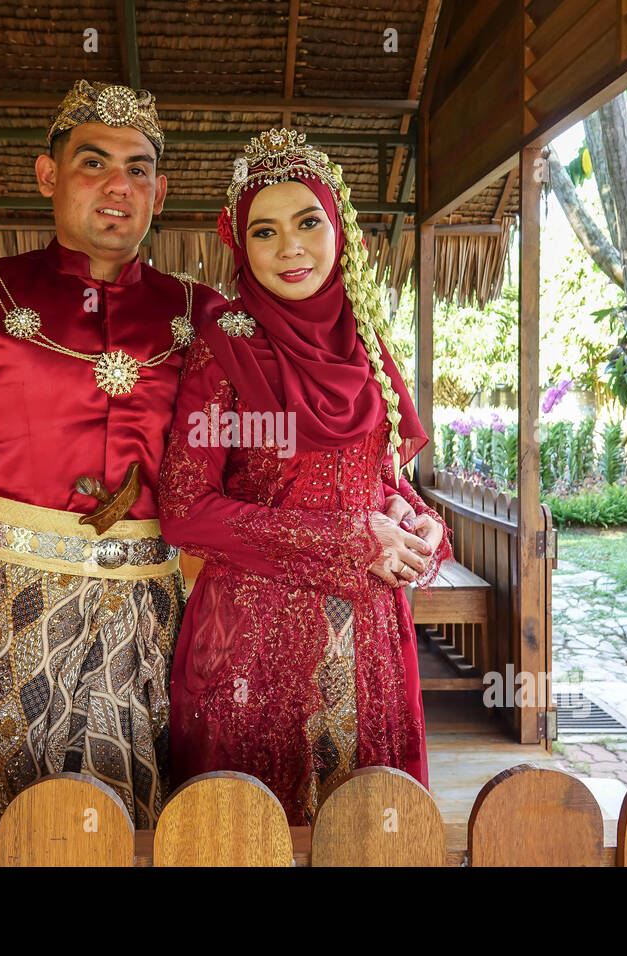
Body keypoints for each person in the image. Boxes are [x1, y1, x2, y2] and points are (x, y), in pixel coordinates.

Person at [0, 86, 422, 832]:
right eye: (93, 163)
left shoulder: (211, 318)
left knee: (160, 828)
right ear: (47, 175)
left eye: (137, 169)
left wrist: (393, 509)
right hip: (5, 622)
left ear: (160, 193)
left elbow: (316, 442)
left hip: (159, 629)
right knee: (13, 830)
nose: (117, 186)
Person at [157, 127, 453, 825]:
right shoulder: (225, 348)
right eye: (264, 231)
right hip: (251, 647)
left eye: (307, 221)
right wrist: (353, 540)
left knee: (367, 829)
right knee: (247, 832)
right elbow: (185, 510)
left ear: (338, 226)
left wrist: (418, 520)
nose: (290, 246)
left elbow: (379, 478)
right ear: (241, 245)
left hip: (372, 638)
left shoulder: (366, 339)